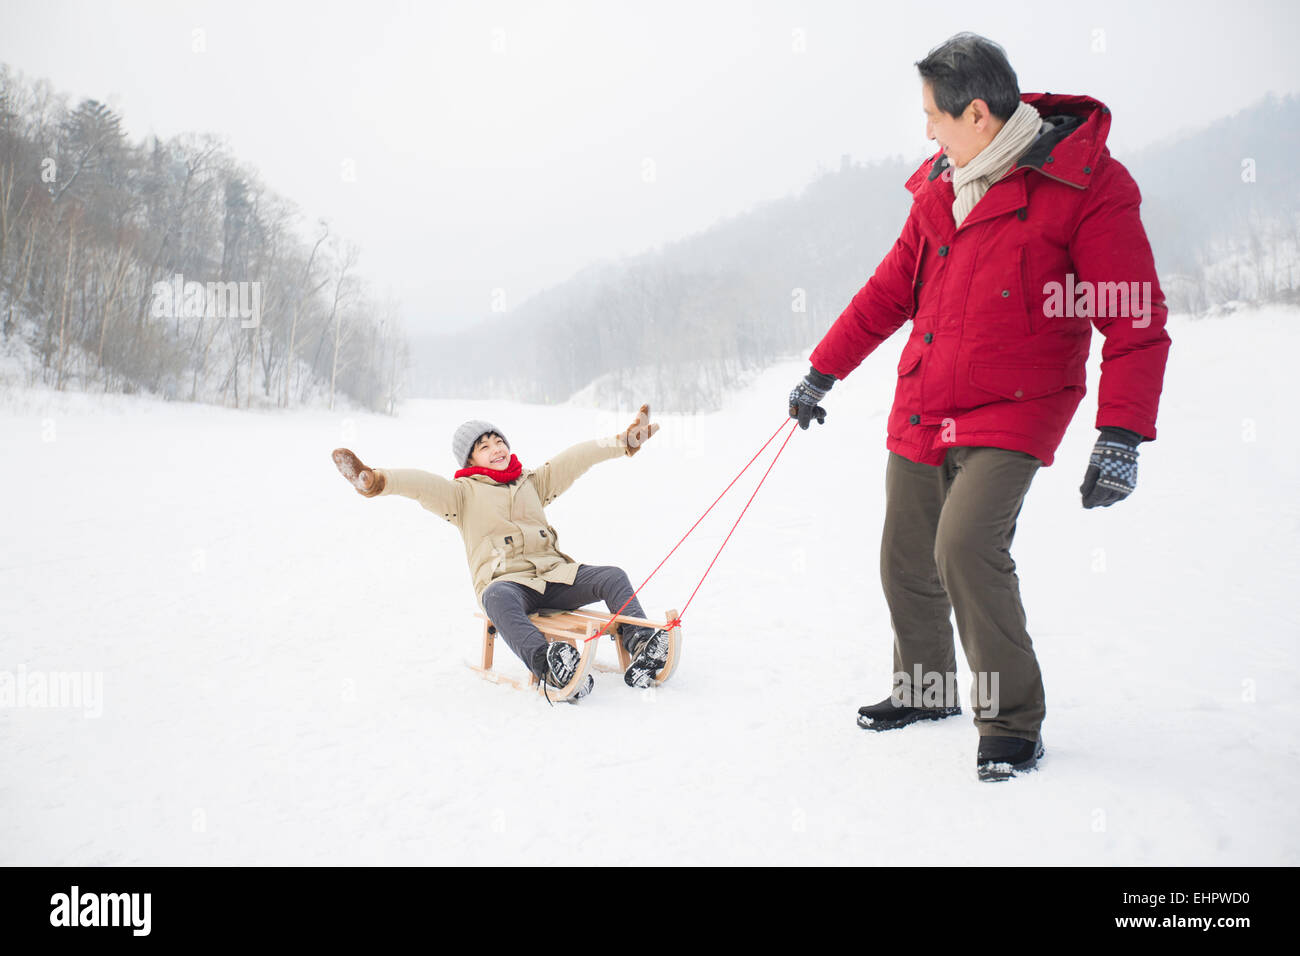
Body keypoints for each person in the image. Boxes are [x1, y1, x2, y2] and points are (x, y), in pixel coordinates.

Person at [787, 33, 1171, 780]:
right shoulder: (941, 183)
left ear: (977, 114)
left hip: (1018, 405)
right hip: (927, 398)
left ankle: (1012, 720)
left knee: (963, 546)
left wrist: (1121, 432)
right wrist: (820, 373)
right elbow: (887, 293)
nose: (925, 129)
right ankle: (927, 691)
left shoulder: (1088, 185)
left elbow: (1133, 315)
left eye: (933, 114)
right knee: (905, 554)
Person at [331, 405, 668, 701]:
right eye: (484, 446)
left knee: (612, 576)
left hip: (553, 576)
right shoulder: (460, 496)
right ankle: (547, 663)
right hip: (509, 585)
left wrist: (623, 442)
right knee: (495, 597)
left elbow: (575, 458)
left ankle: (641, 644)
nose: (496, 449)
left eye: (499, 441)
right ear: (470, 459)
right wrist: (377, 481)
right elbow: (422, 484)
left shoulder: (532, 482)